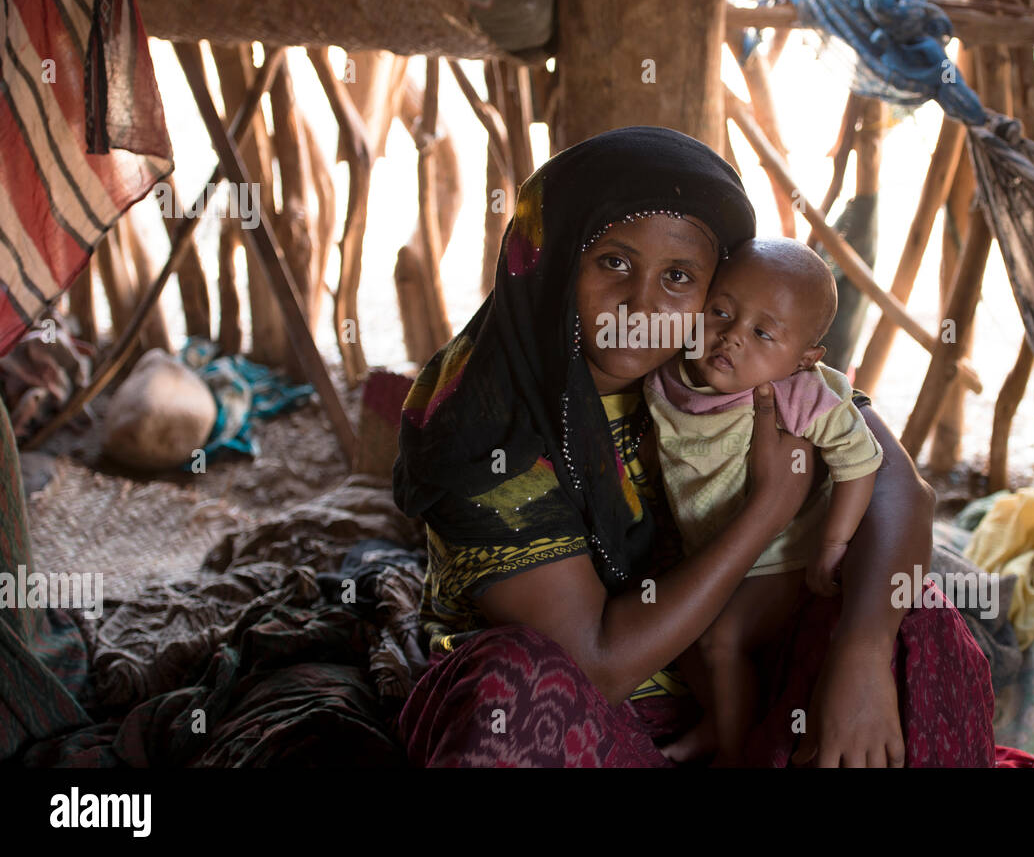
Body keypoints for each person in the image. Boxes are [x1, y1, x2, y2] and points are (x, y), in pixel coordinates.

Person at [393, 124, 999, 767]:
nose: (643, 304)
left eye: (679, 276)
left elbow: (899, 486)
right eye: (613, 262)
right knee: (514, 688)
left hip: (735, 684)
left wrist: (862, 653)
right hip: (586, 717)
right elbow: (595, 666)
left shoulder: (720, 355)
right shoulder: (481, 419)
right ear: (551, 257)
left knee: (916, 621)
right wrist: (769, 507)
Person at [645, 238, 883, 764]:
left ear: (805, 358)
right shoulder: (665, 370)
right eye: (721, 312)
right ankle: (717, 723)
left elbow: (861, 461)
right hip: (711, 550)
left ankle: (735, 755)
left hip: (782, 558)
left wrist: (833, 542)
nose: (730, 336)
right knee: (675, 634)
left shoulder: (797, 394)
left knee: (721, 641)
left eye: (761, 332)